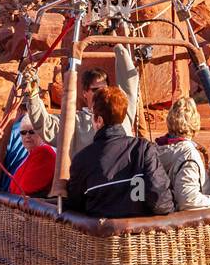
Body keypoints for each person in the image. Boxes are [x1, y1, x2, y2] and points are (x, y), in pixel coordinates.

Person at [66, 86, 174, 218]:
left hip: (99, 236)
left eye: (92, 115)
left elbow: (74, 207)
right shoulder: (143, 149)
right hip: (140, 235)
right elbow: (162, 203)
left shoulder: (82, 160)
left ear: (99, 120)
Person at [23, 40, 139, 157]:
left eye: (104, 89)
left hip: (124, 174)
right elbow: (46, 125)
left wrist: (117, 45)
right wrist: (33, 96)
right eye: (95, 90)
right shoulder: (76, 122)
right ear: (85, 93)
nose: (101, 93)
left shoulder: (120, 112)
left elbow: (129, 82)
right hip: (91, 174)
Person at [156, 96, 210, 210]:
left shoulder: (155, 148)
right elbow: (188, 199)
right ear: (195, 122)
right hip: (187, 222)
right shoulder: (188, 154)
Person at [8, 115, 56, 197]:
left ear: (41, 133)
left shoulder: (44, 152)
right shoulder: (31, 154)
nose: (27, 136)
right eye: (23, 132)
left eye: (32, 132)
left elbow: (26, 187)